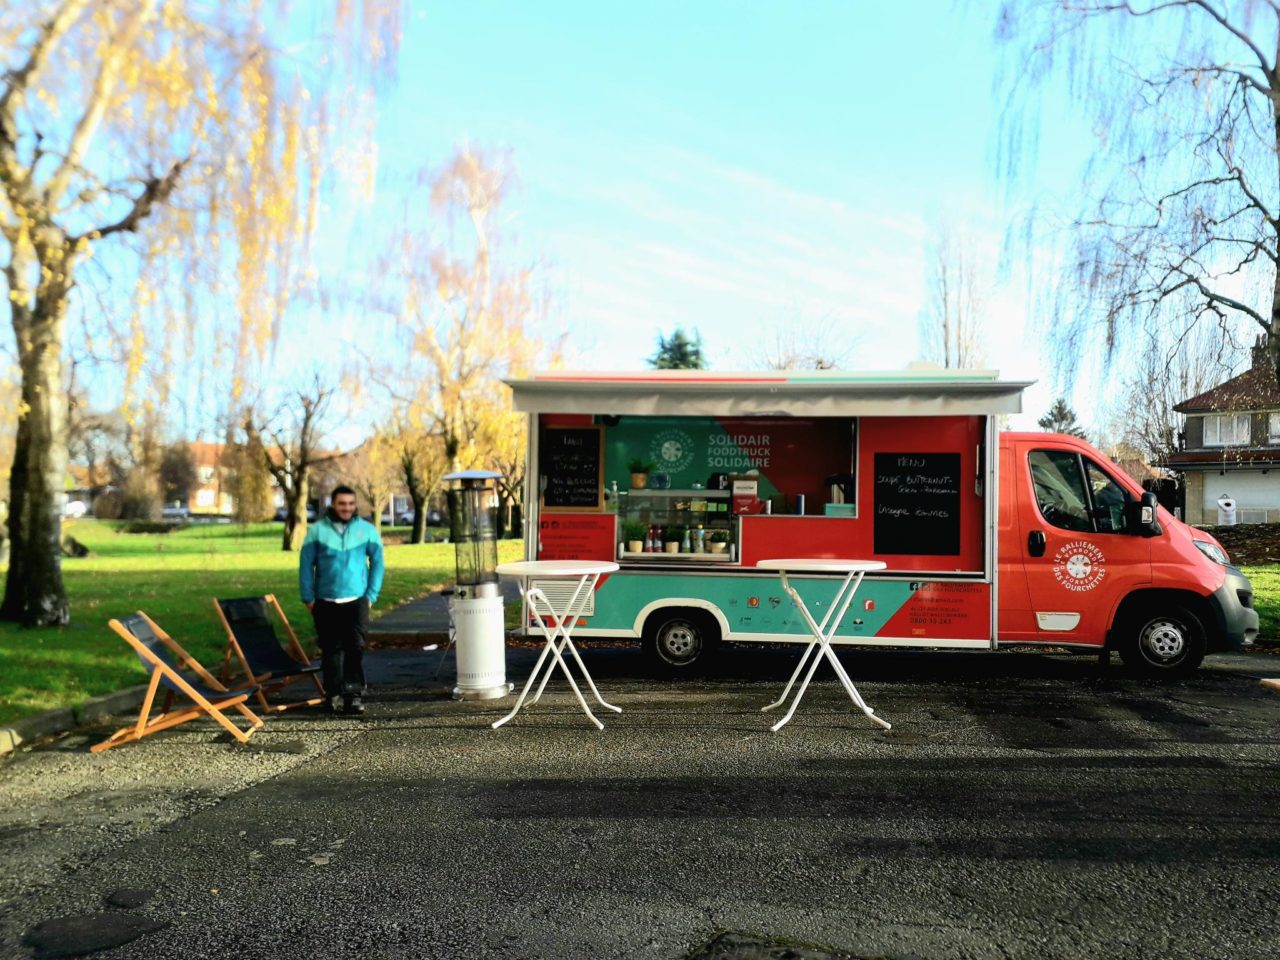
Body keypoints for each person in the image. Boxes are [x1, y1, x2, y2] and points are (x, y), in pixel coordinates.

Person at [299, 485, 384, 715]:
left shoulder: (367, 530)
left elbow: (378, 563)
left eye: (350, 504)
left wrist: (371, 595)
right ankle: (333, 695)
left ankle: (353, 695)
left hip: (357, 600)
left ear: (355, 505)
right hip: (325, 600)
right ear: (333, 504)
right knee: (330, 650)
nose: (347, 508)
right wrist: (308, 597)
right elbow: (305, 565)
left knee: (355, 648)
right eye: (342, 503)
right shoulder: (317, 531)